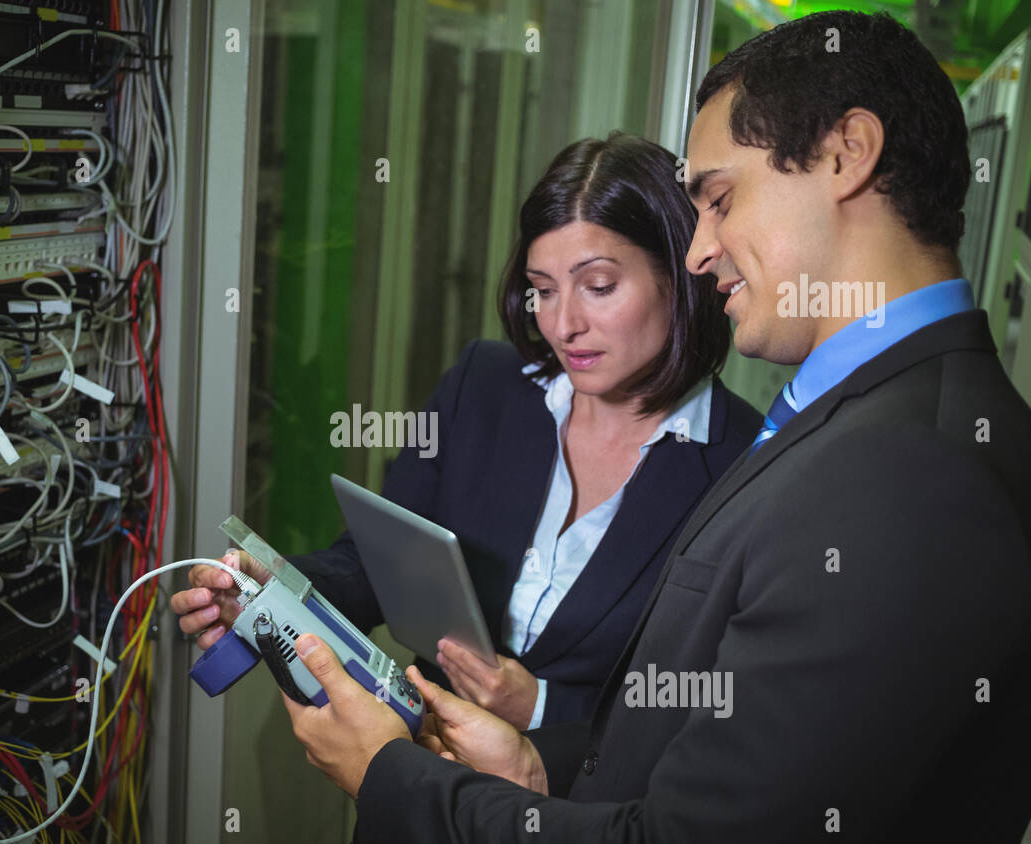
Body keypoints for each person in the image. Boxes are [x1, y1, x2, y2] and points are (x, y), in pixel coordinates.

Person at [276, 10, 1031, 844]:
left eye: (719, 198)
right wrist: (531, 768)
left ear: (845, 153)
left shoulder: (910, 475)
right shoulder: (863, 421)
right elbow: (707, 761)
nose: (701, 250)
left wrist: (387, 774)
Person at [172, 133, 760, 731]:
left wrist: (540, 709)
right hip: (421, 782)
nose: (563, 325)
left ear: (681, 273)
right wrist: (279, 590)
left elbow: (714, 707)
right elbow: (376, 567)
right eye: (545, 290)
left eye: (600, 286)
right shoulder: (485, 387)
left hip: (583, 816)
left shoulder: (747, 463)